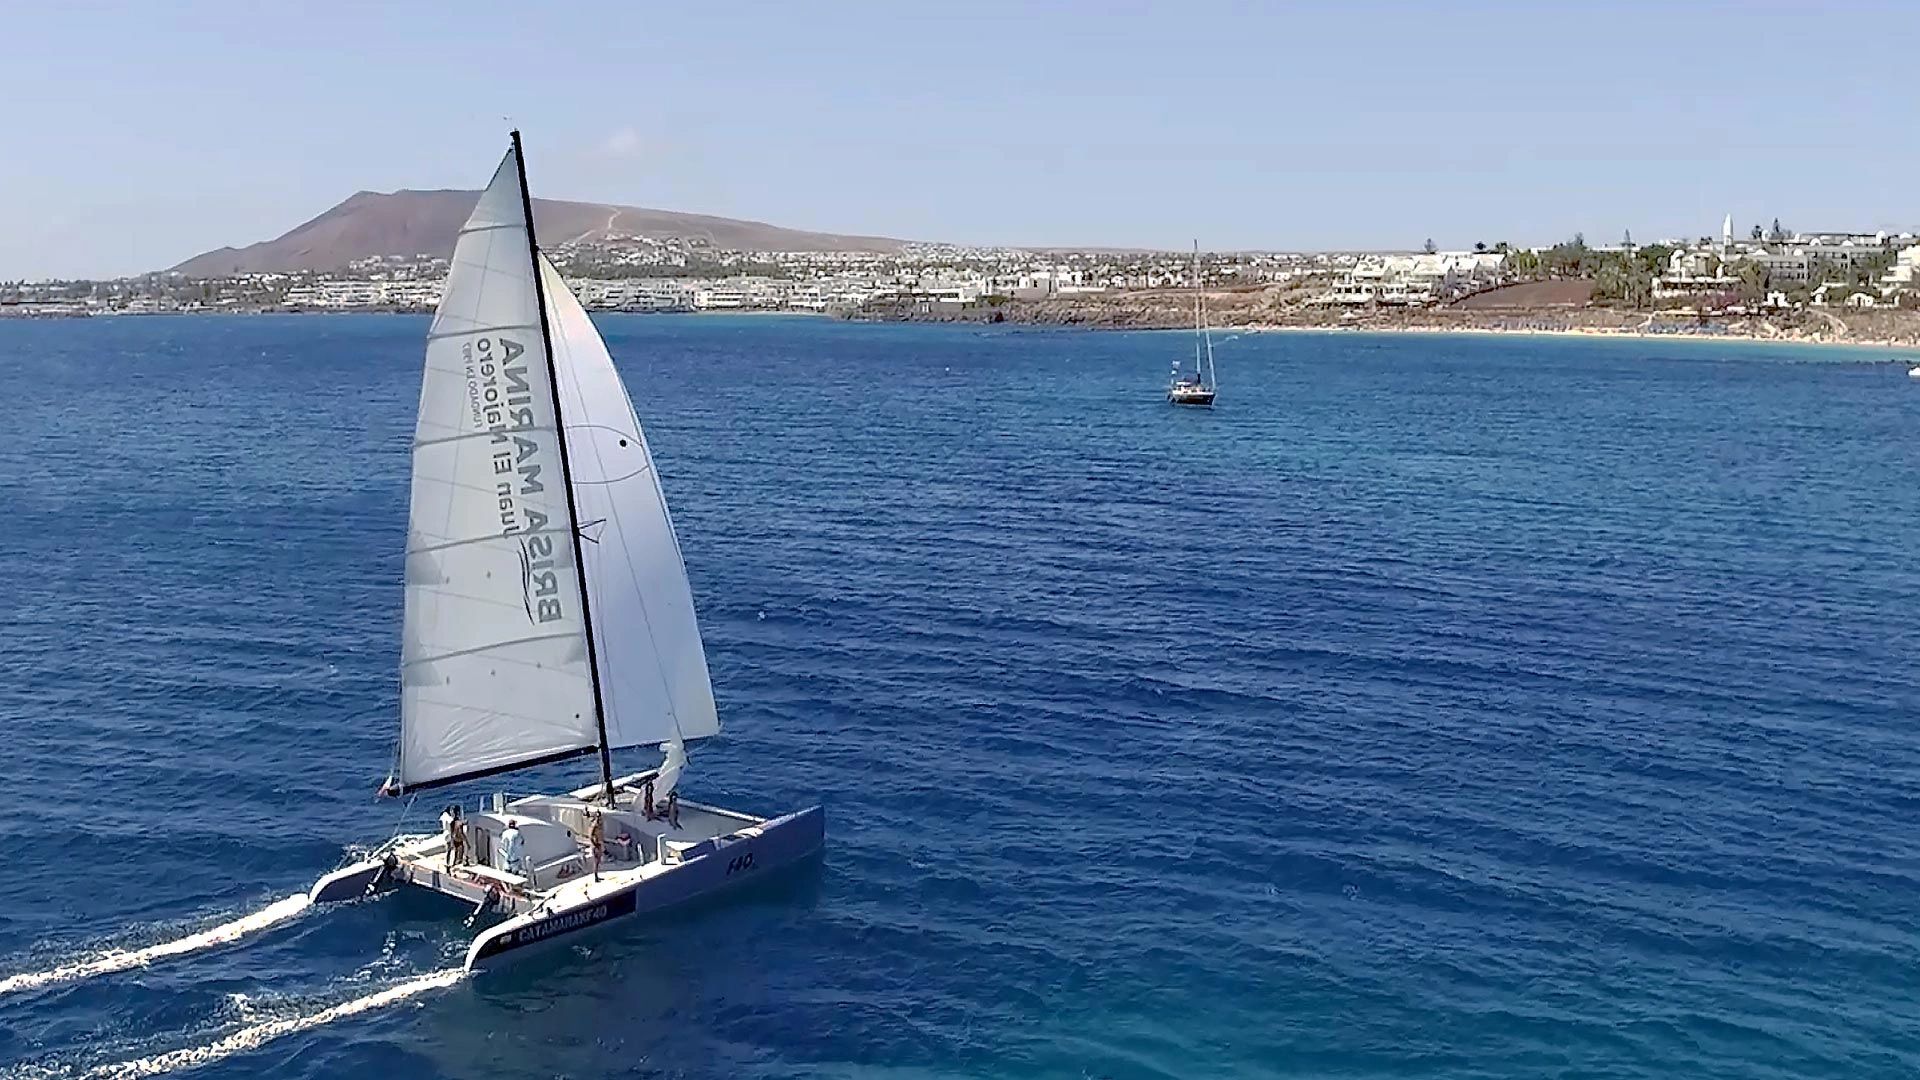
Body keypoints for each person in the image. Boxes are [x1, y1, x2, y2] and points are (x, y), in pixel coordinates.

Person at [499, 819, 525, 885]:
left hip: (507, 859)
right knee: (516, 877)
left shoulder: (505, 833)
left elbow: (502, 843)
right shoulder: (517, 833)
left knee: (506, 878)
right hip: (515, 860)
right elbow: (522, 842)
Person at [585, 808, 605, 881]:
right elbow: (591, 836)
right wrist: (595, 844)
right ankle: (596, 877)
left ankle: (597, 876)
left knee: (598, 861)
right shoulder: (594, 826)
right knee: (596, 861)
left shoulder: (599, 825)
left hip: (599, 844)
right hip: (596, 845)